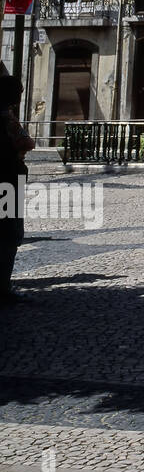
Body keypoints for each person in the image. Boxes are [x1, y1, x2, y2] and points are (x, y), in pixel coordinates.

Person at [0, 75, 36, 304]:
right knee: (9, 233)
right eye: (18, 92)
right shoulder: (7, 119)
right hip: (8, 180)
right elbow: (27, 142)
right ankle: (3, 287)